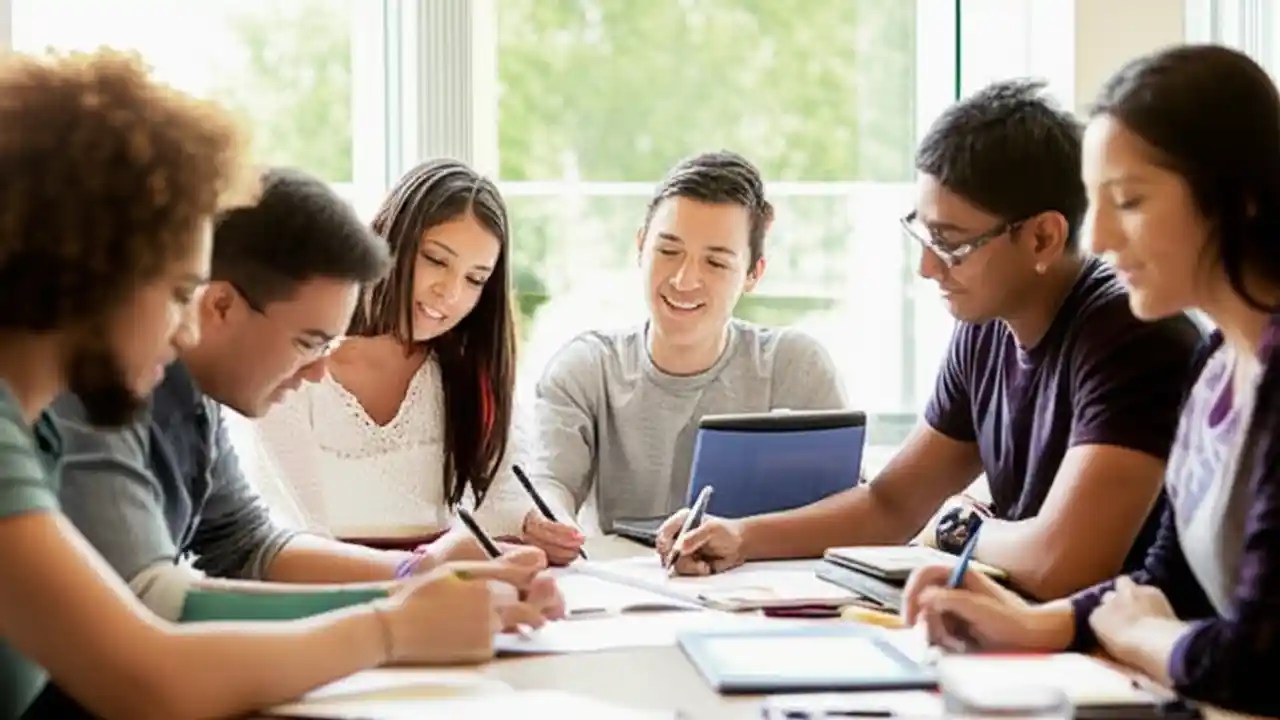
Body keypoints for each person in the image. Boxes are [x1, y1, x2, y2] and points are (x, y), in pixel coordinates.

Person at [0, 49, 550, 720]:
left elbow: (241, 546)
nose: (186, 328)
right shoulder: (53, 420)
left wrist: (419, 584)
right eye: (178, 291)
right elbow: (146, 667)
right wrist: (395, 623)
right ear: (93, 275)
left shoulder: (63, 421)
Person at [656, 82, 1203, 600]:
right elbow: (892, 505)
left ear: (1042, 237)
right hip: (1031, 631)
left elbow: (1064, 564)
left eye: (950, 243)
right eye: (922, 232)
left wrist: (958, 527)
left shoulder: (1132, 336)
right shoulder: (986, 326)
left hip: (1134, 649)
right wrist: (742, 535)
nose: (926, 267)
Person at [903, 45, 1280, 717]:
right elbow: (1165, 584)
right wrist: (1035, 624)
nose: (1099, 237)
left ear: (1239, 196)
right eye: (1095, 202)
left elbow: (1258, 660)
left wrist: (1143, 635)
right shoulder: (1216, 365)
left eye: (1128, 201)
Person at [43, 166, 553, 630]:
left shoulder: (200, 402)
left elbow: (247, 545)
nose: (318, 371)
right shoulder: (102, 397)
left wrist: (420, 573)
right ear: (220, 305)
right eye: (309, 342)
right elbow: (152, 602)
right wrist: (393, 622)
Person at [522, 150, 849, 565]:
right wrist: (550, 522)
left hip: (758, 592)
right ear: (640, 247)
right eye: (668, 251)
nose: (684, 279)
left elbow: (849, 509)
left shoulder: (796, 368)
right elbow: (549, 482)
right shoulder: (586, 368)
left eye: (715, 262)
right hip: (622, 589)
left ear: (753, 274)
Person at [253, 159, 537, 547]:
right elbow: (294, 529)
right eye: (436, 260)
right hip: (321, 578)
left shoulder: (469, 374)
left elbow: (505, 493)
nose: (450, 293)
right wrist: (413, 572)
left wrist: (529, 524)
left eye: (475, 279)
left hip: (442, 578)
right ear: (390, 239)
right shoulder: (296, 367)